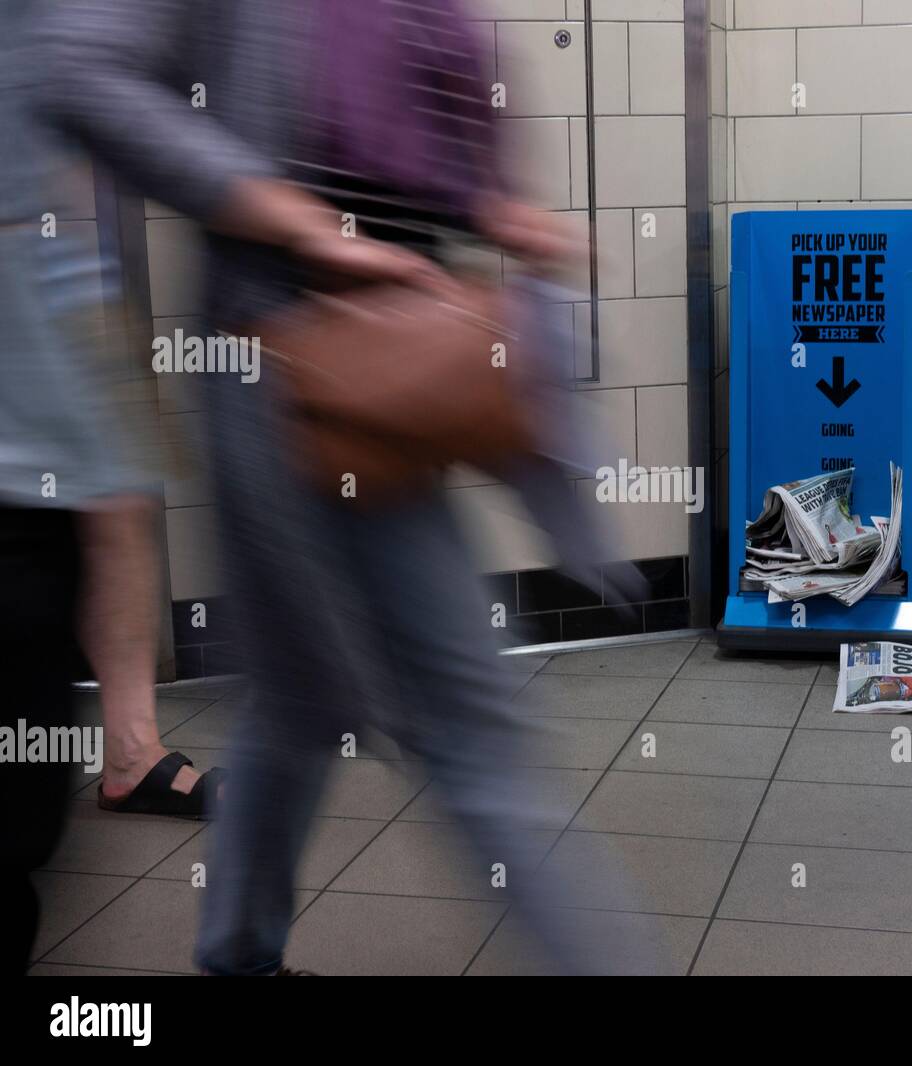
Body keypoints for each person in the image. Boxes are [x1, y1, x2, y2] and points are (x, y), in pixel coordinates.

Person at [35, 0, 651, 975]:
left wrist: (487, 208)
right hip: (299, 368)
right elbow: (75, 68)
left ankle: (236, 951)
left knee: (297, 700)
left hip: (385, 357)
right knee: (472, 726)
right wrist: (288, 215)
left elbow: (406, 133)